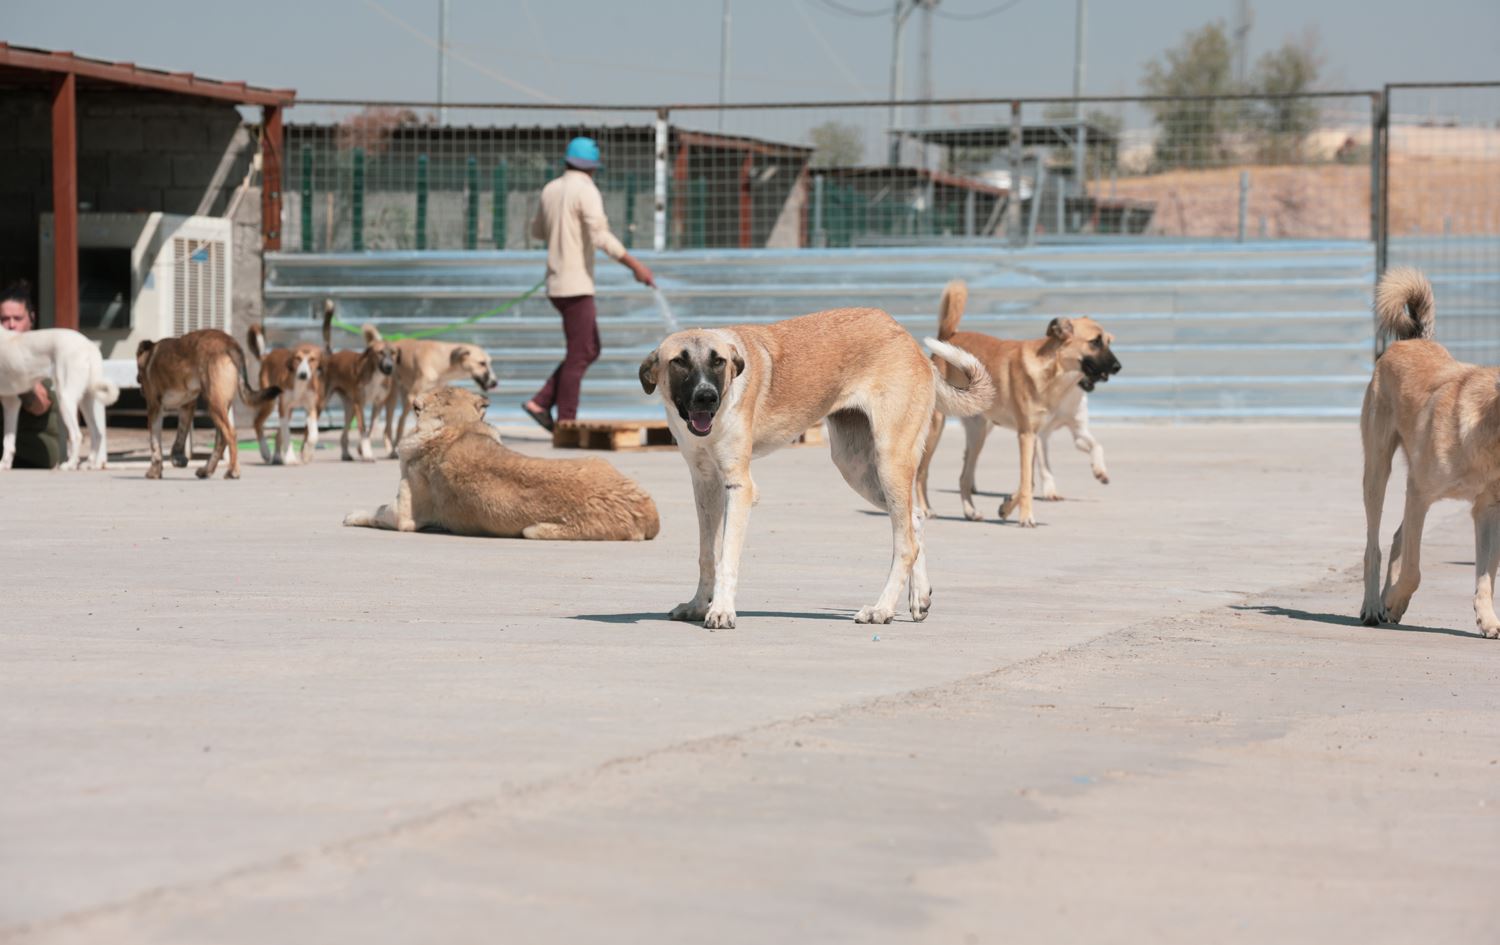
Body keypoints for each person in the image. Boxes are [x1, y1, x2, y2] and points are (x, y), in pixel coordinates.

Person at [522, 136, 655, 432]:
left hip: (556, 284)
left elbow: (538, 231)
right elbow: (601, 237)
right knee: (581, 353)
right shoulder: (586, 190)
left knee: (588, 348)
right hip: (576, 284)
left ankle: (541, 401)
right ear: (593, 167)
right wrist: (636, 266)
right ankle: (566, 421)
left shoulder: (551, 189)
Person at [0, 281, 63, 469]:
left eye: (17, 318)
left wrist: (17, 376)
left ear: (31, 318)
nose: (11, 325)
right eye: (4, 319)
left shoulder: (43, 348)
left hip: (36, 449)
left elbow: (40, 405)